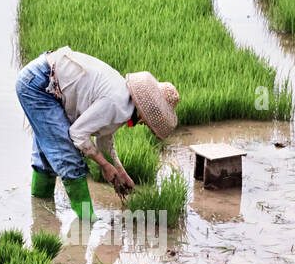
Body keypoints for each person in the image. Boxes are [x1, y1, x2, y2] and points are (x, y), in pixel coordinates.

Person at [14, 46, 179, 220]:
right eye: (152, 118)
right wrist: (105, 166)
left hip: (42, 76)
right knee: (68, 156)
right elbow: (77, 133)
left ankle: (41, 209)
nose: (146, 124)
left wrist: (119, 170)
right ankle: (88, 221)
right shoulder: (117, 103)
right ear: (148, 111)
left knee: (47, 153)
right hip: (38, 85)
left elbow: (104, 137)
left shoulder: (123, 99)